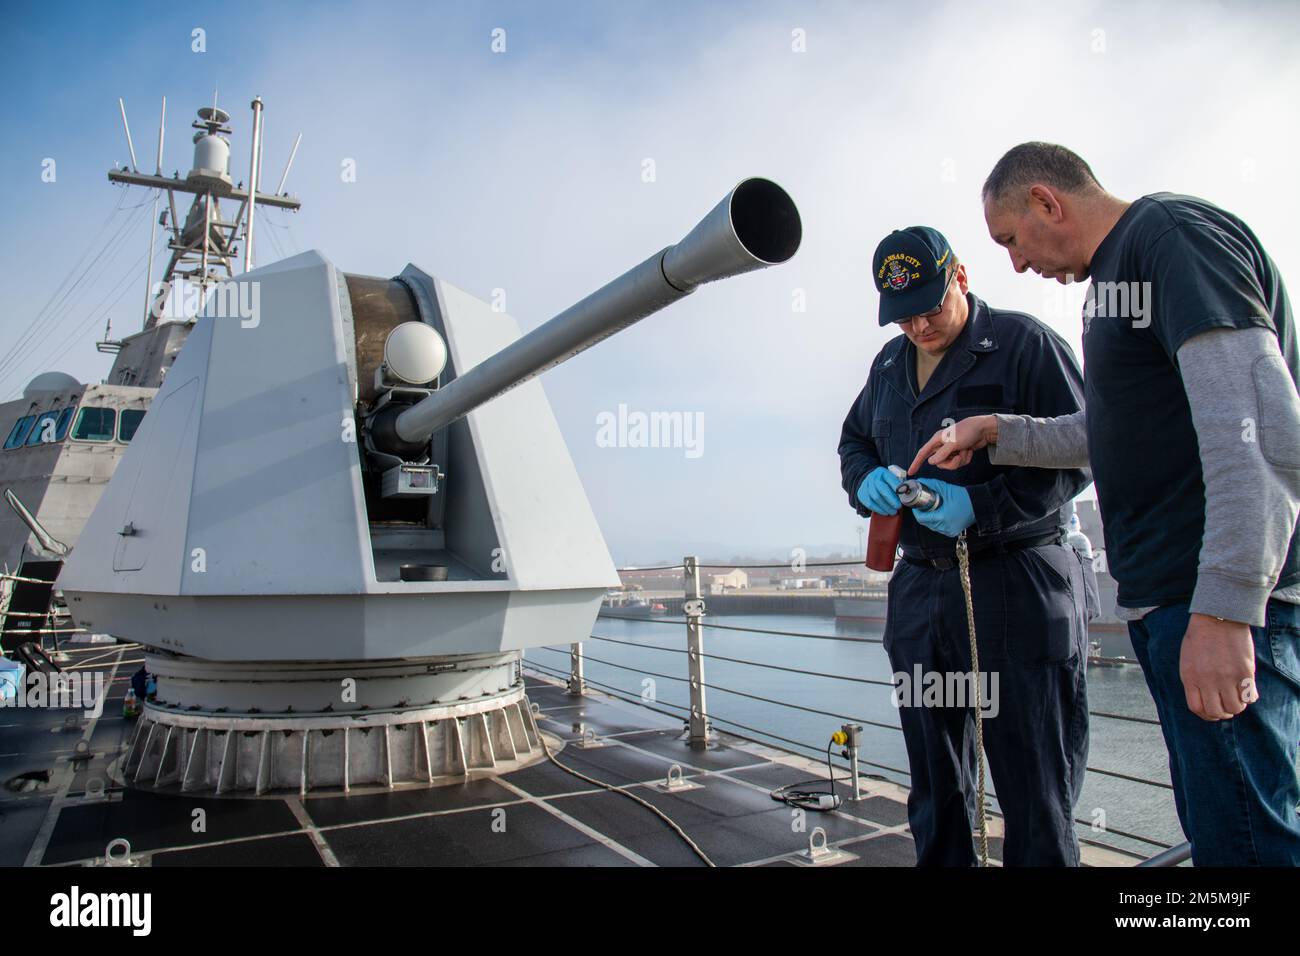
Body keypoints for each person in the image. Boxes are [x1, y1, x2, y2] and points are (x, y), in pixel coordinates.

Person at [911, 142, 1300, 866]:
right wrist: (995, 432)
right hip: (1170, 605)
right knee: (1221, 831)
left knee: (1250, 839)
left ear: (1046, 202)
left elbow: (1260, 432)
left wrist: (1224, 609)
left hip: (1207, 603)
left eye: (1012, 240)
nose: (1018, 264)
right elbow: (1106, 431)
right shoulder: (1111, 285)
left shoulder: (1171, 241)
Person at [838, 225, 1092, 866]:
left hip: (1016, 584)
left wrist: (982, 506)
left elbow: (1087, 452)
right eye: (902, 317)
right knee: (936, 782)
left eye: (930, 306)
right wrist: (863, 479)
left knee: (1034, 783)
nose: (918, 326)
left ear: (961, 277)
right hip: (922, 588)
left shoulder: (1024, 344)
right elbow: (855, 441)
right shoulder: (889, 366)